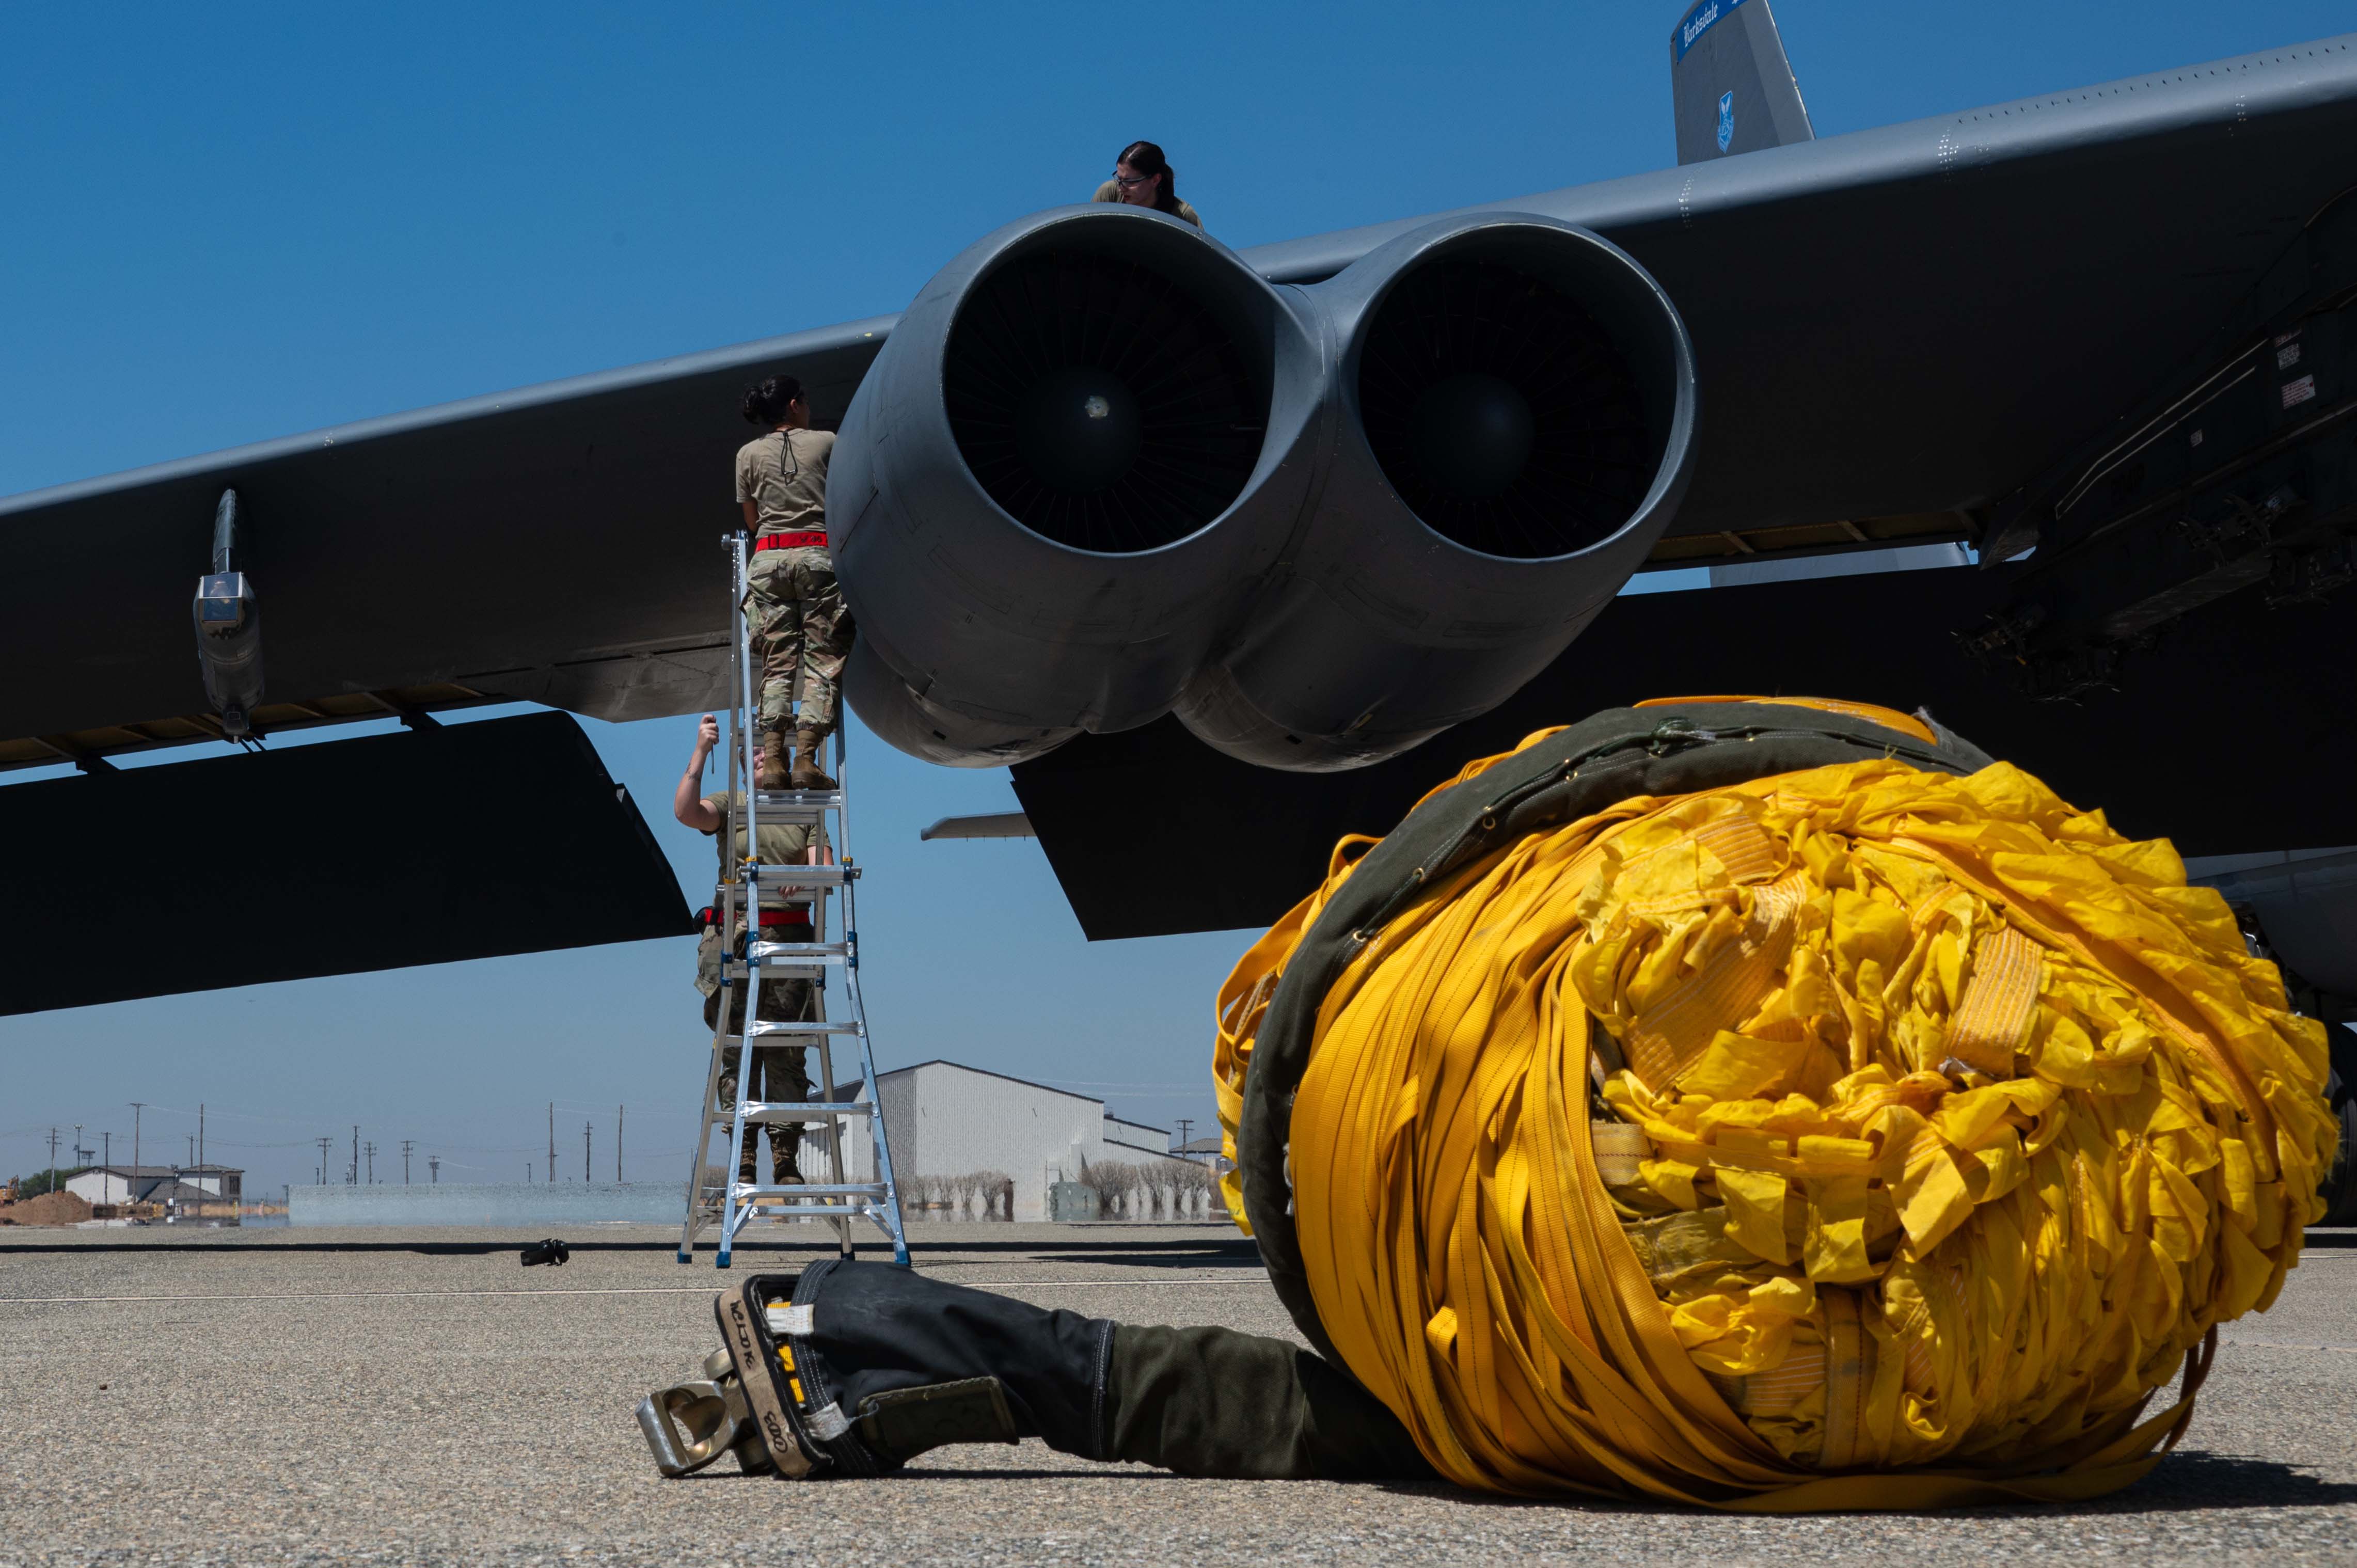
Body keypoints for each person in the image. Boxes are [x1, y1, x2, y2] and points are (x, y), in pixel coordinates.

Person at [674, 713, 831, 1190]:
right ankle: (743, 1150)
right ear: (743, 766)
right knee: (737, 1051)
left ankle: (785, 1155)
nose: (761, 755)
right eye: (753, 752)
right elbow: (685, 811)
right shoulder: (733, 804)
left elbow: (822, 869)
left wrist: (802, 879)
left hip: (789, 944)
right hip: (737, 940)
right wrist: (701, 750)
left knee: (785, 1051)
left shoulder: (804, 812)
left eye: (769, 750)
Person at [735, 375, 849, 791]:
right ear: (796, 404)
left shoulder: (747, 454)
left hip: (767, 560)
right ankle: (806, 759)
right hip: (817, 556)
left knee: (777, 664)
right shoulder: (827, 443)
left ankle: (774, 761)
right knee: (822, 660)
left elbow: (751, 521)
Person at [1090, 139, 1203, 230]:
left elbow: (1201, 256)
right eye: (1119, 179)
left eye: (1130, 182)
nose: (1121, 188)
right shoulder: (1109, 195)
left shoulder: (1183, 216)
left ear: (1155, 180)